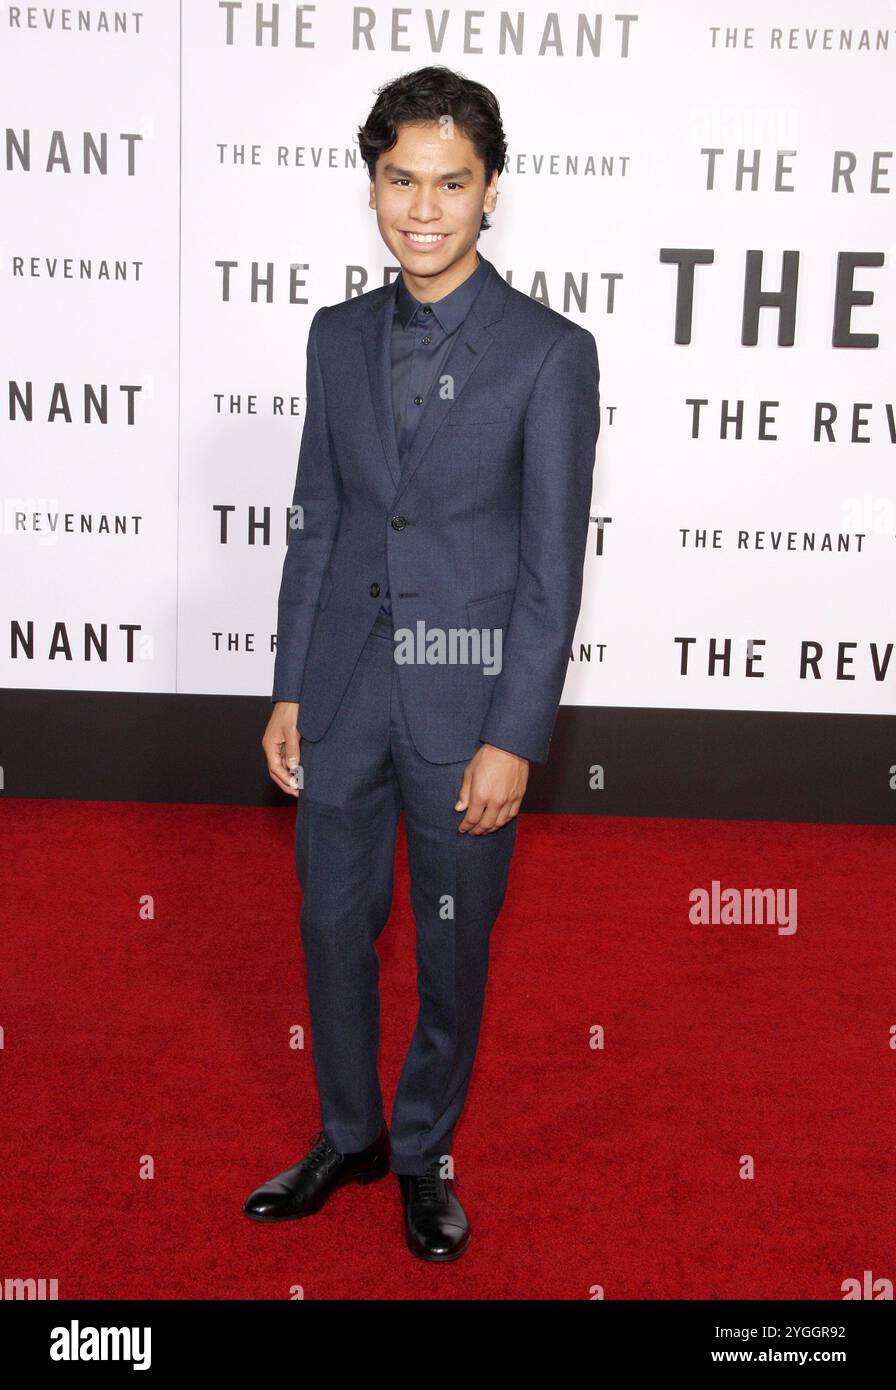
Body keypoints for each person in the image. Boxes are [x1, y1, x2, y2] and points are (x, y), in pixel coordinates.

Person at [244, 64, 601, 1262]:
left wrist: (514, 734)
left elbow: (552, 567)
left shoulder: (551, 354)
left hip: (467, 712)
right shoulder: (334, 336)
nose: (424, 207)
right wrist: (291, 681)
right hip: (341, 693)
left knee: (450, 944)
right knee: (330, 923)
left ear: (490, 191)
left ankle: (422, 1147)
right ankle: (347, 1131)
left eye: (451, 182)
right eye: (400, 179)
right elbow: (320, 518)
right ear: (372, 185)